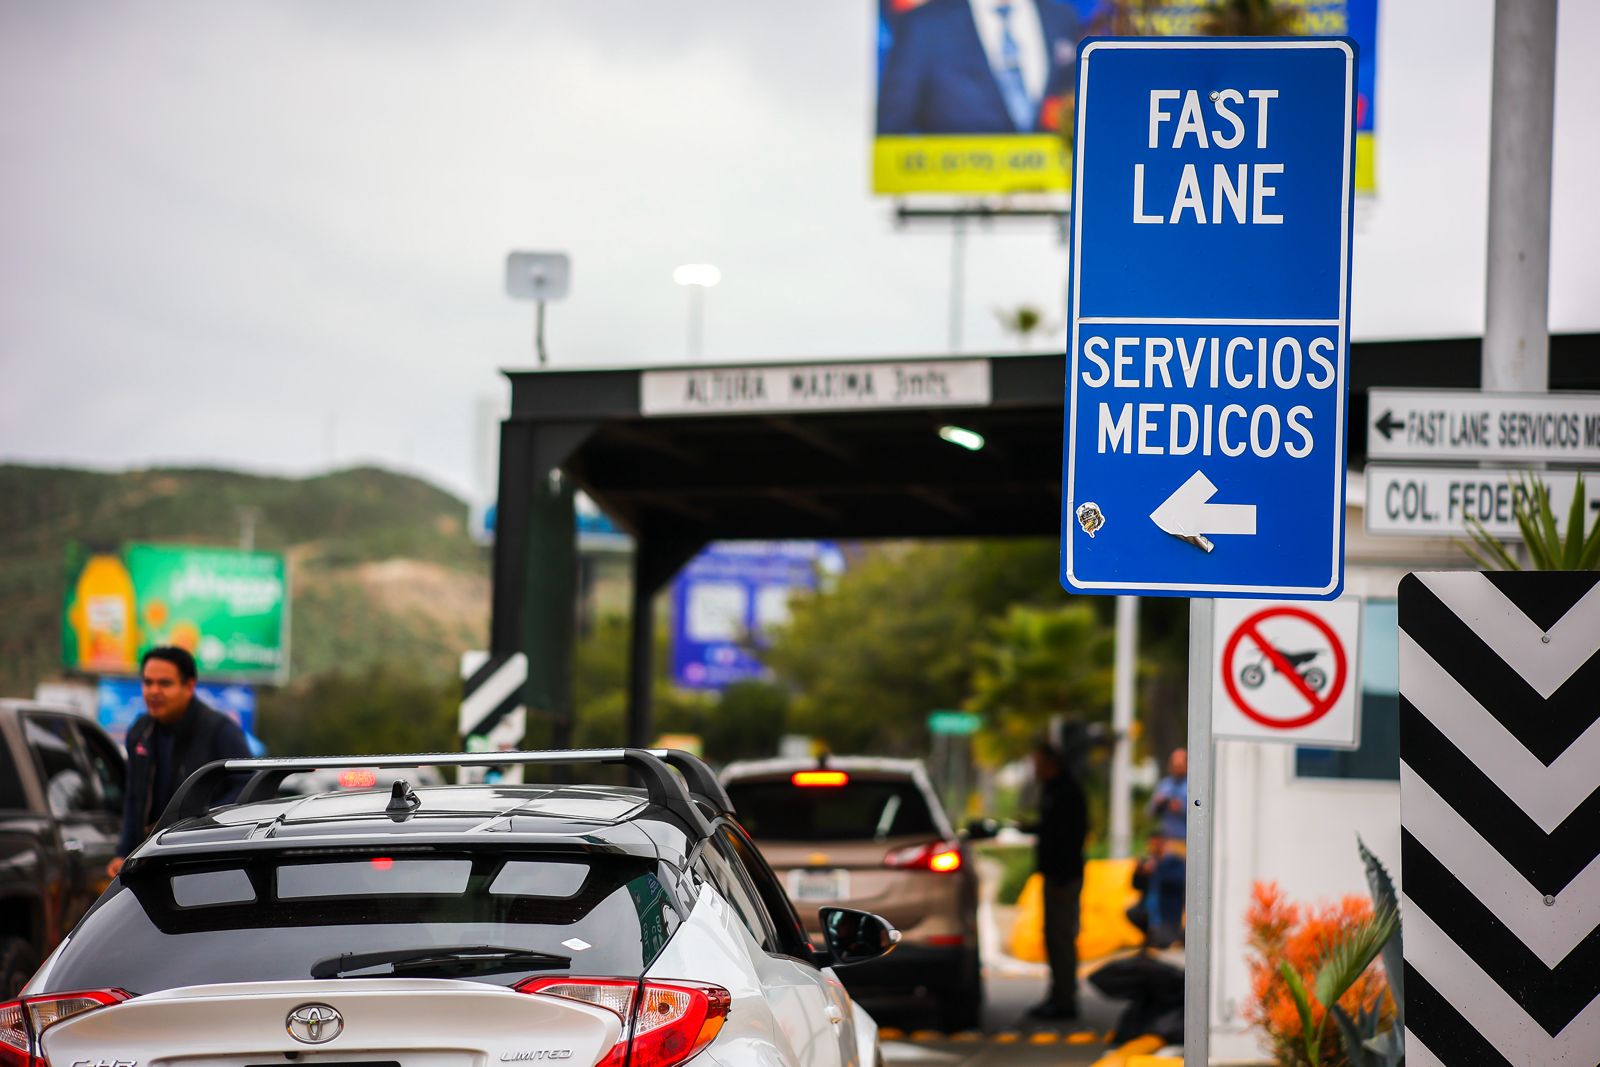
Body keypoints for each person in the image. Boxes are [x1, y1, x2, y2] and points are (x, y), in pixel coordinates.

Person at [105, 646, 252, 878]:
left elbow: (248, 787)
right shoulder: (140, 732)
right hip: (152, 859)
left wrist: (200, 824)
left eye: (165, 684)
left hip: (207, 862)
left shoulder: (220, 730)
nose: (154, 691)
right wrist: (124, 853)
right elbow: (134, 799)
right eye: (148, 682)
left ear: (189, 686)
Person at [876, 0, 1081, 135]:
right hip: (954, 183)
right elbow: (892, 123)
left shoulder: (1061, 18)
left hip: (1050, 182)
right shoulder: (925, 24)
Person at [1025, 740, 1088, 1021]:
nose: (1035, 769)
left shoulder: (1067, 792)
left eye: (1038, 764)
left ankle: (1065, 999)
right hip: (1056, 875)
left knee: (1061, 937)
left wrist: (1062, 879)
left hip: (1064, 878)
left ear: (1051, 764)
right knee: (1053, 936)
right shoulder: (1053, 789)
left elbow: (1070, 837)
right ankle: (1059, 995)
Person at [1146, 748, 1188, 945]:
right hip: (1166, 846)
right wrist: (1159, 803)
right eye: (1174, 764)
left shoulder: (1192, 784)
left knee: (1185, 891)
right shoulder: (1165, 785)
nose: (1177, 768)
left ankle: (1184, 930)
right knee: (1158, 886)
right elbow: (1150, 812)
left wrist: (1180, 808)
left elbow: (1201, 810)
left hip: (1185, 847)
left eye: (1181, 764)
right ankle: (1158, 927)